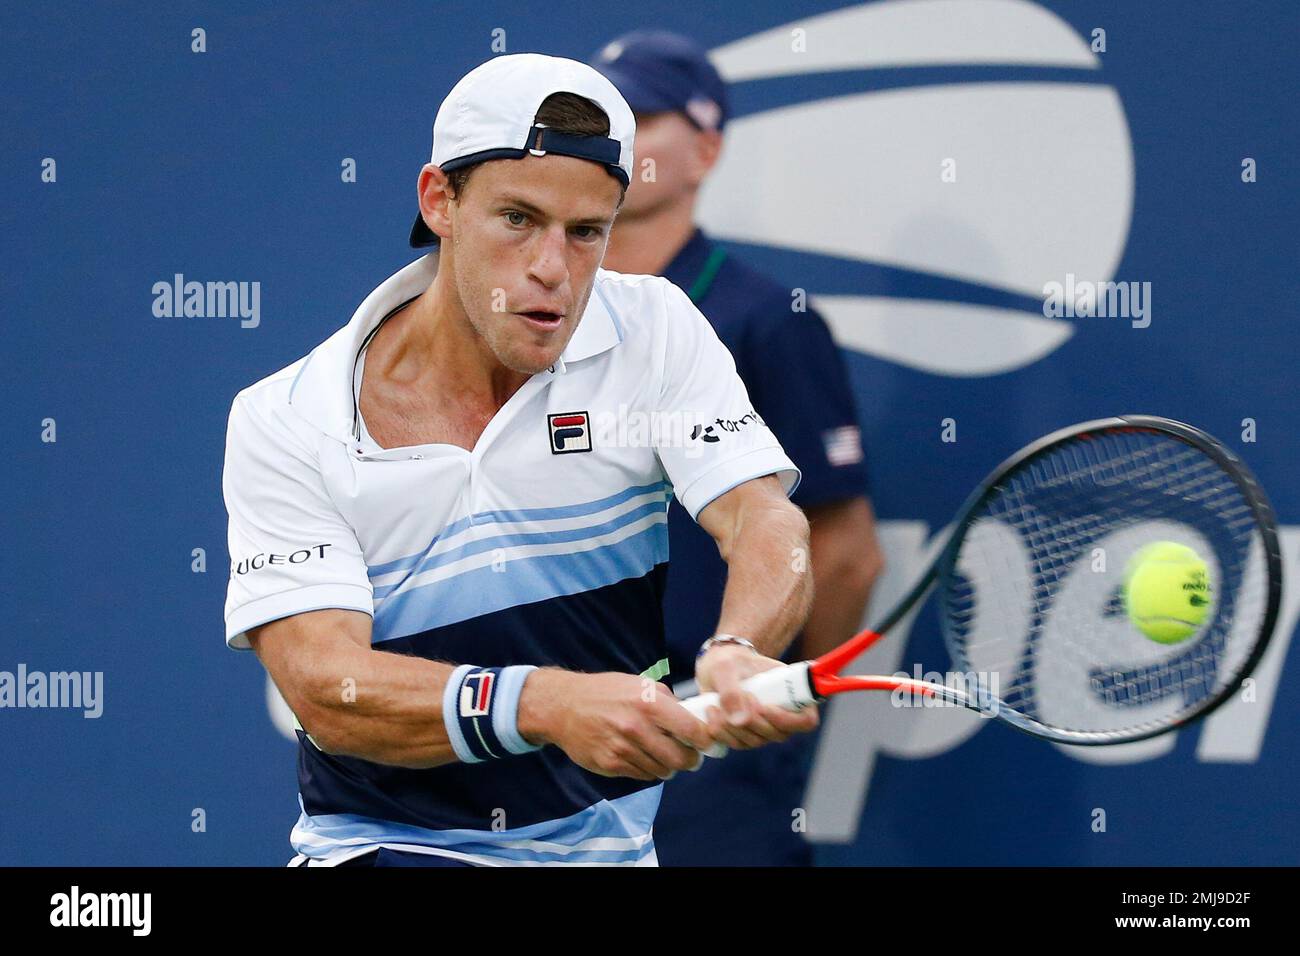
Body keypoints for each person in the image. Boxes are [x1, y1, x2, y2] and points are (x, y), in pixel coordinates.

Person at [221, 52, 819, 867]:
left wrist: (741, 646)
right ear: (439, 200)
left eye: (586, 234)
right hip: (384, 849)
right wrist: (546, 703)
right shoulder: (289, 419)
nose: (552, 271)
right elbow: (328, 689)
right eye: (517, 219)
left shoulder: (656, 331)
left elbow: (763, 516)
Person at [591, 30, 884, 866]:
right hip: (547, 748)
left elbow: (847, 553)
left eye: (643, 115)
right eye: (603, 113)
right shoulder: (534, 315)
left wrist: (759, 692)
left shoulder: (766, 319)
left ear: (707, 148)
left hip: (704, 763)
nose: (619, 134)